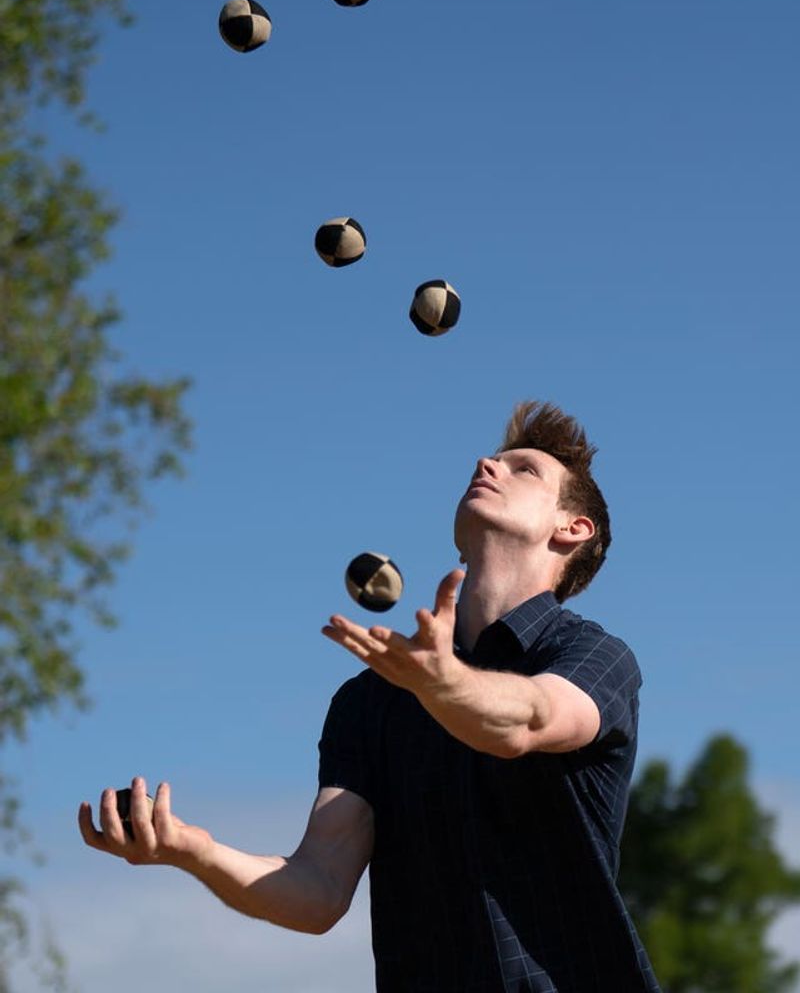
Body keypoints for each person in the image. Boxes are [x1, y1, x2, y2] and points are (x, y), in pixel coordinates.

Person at [79, 400, 661, 992]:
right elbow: (318, 892)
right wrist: (194, 852)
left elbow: (527, 721)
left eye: (523, 469)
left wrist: (440, 682)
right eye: (491, 460)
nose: (487, 464)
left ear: (573, 528)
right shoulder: (372, 700)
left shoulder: (593, 657)